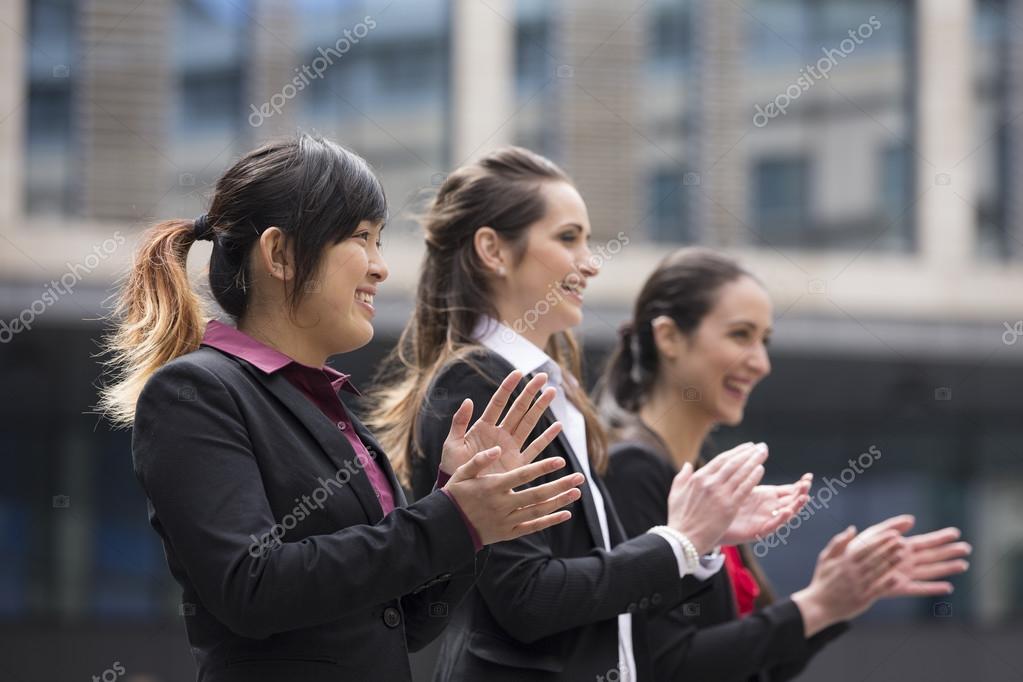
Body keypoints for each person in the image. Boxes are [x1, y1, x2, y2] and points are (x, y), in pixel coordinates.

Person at [97, 135, 584, 682]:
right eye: (361, 238)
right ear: (279, 253)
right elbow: (250, 587)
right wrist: (449, 518)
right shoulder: (197, 391)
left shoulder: (328, 405)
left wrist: (462, 509)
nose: (380, 268)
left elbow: (405, 623)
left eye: (380, 242)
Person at [369, 147, 807, 681]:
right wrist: (680, 541)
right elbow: (528, 599)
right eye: (568, 238)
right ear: (493, 250)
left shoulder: (543, 387)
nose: (590, 261)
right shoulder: (481, 384)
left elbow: (600, 601)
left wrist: (700, 538)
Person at [600, 246, 973, 681]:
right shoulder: (634, 470)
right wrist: (816, 605)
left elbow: (756, 668)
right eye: (740, 335)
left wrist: (836, 601)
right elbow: (667, 665)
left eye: (765, 340)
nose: (760, 362)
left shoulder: (707, 480)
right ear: (669, 338)